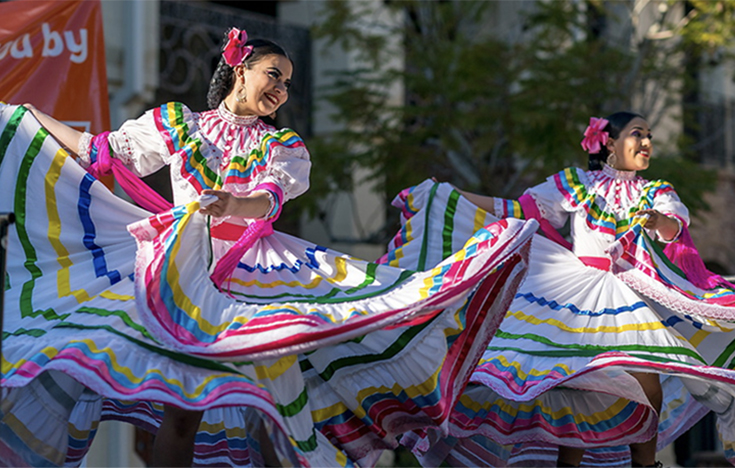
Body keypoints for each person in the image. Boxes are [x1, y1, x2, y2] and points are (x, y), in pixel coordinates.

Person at [0, 29, 536, 466]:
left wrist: (230, 205)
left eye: (286, 83)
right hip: (182, 271)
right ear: (240, 68)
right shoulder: (179, 125)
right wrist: (20, 117)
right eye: (273, 75)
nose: (280, 89)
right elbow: (98, 152)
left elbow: (267, 200)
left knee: (276, 400)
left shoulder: (280, 144)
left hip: (256, 272)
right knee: (184, 409)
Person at [378, 112, 735, 467]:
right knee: (575, 378)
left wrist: (654, 220)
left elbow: (673, 229)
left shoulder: (656, 192)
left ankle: (645, 464)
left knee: (646, 377)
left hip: (630, 293)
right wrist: (451, 196)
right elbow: (519, 209)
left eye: (649, 136)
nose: (647, 142)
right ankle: (571, 462)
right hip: (578, 293)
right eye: (637, 134)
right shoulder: (576, 184)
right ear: (609, 143)